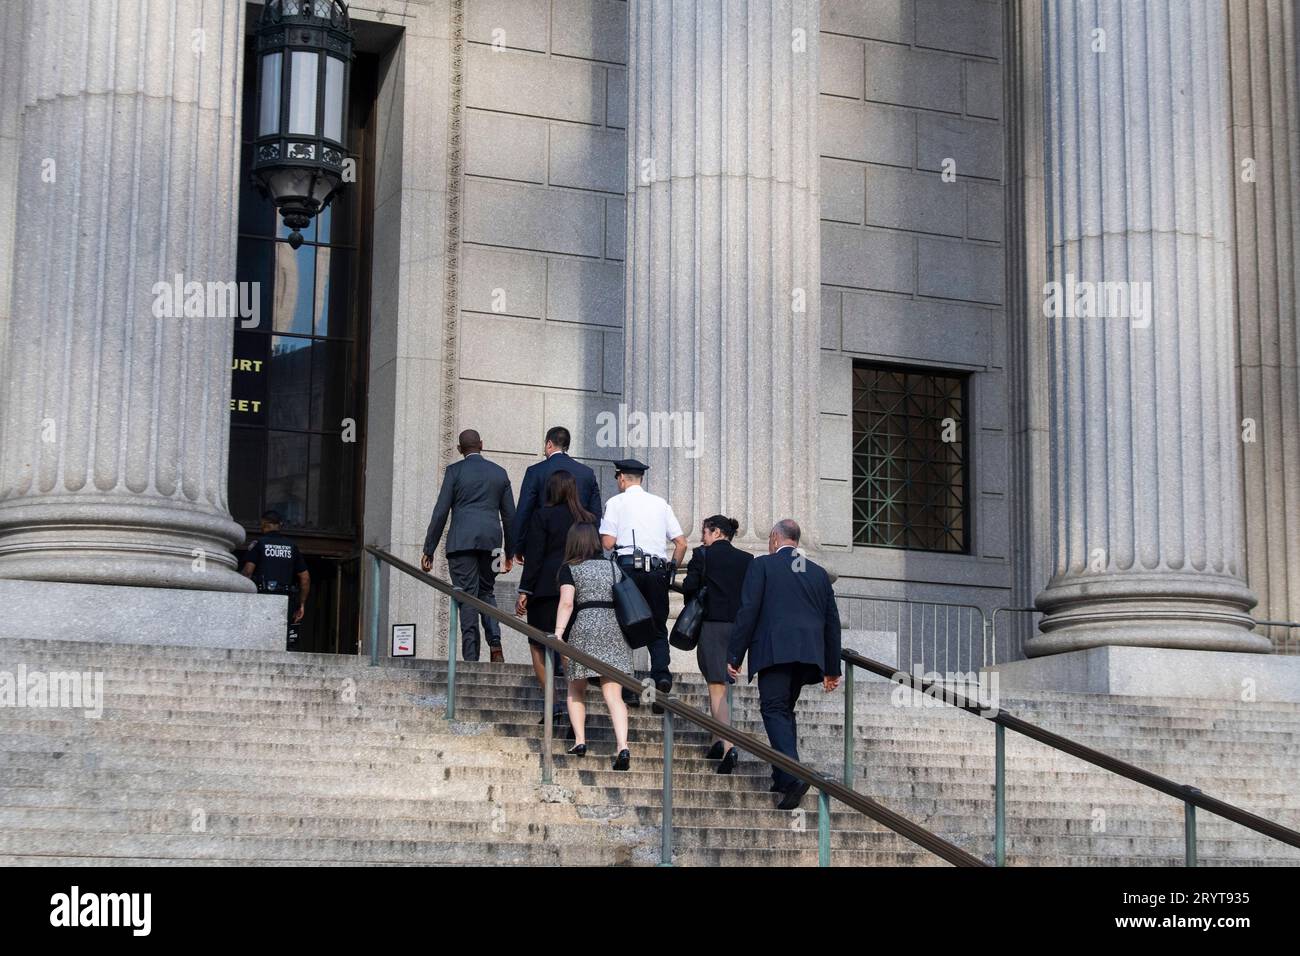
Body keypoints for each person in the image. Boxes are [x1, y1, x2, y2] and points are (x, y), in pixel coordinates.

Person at [727, 519, 842, 810]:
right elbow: (832, 623)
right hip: (808, 655)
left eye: (769, 539)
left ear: (776, 539)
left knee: (774, 708)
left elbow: (748, 610)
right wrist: (832, 668)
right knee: (784, 711)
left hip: (775, 651)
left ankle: (793, 775)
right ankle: (781, 776)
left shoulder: (762, 566)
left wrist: (734, 655)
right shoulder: (817, 574)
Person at [420, 429, 517, 663]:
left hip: (461, 544)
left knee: (467, 597)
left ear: (459, 449)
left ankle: (471, 657)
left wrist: (429, 549)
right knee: (487, 592)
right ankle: (495, 645)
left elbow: (441, 511)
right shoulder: (500, 474)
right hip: (492, 544)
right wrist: (510, 553)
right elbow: (510, 517)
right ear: (482, 444)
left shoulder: (455, 471)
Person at [599, 459, 687, 712]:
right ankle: (661, 677)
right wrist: (670, 569)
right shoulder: (660, 504)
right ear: (641, 479)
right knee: (657, 628)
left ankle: (628, 689)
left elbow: (607, 542)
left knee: (626, 627)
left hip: (627, 571)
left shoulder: (616, 503)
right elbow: (681, 543)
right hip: (657, 571)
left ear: (622, 479)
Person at [551, 522, 634, 770]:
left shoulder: (570, 568)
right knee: (614, 694)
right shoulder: (613, 567)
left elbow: (567, 603)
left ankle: (580, 740)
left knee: (576, 687)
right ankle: (622, 745)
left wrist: (558, 634)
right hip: (613, 629)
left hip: (585, 627)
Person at [516, 470, 594, 723]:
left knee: (538, 646)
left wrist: (525, 589)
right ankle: (576, 703)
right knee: (569, 648)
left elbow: (535, 555)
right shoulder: (587, 519)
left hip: (546, 588)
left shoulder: (543, 515)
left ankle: (554, 703)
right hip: (578, 588)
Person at [681, 514, 753, 774]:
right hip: (737, 629)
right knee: (722, 684)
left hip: (712, 626)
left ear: (717, 532)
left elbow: (690, 587)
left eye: (705, 531)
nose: (702, 537)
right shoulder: (747, 560)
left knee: (715, 687)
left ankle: (728, 745)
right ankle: (716, 739)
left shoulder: (703, 555)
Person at [509, 426, 602, 566]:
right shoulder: (587, 473)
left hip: (545, 544)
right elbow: (595, 513)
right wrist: (594, 547)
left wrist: (518, 547)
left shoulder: (535, 471)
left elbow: (524, 511)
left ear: (549, 444)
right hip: (579, 545)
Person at [241, 510, 310, 648]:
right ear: (280, 525)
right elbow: (305, 578)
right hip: (286, 599)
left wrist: (242, 599)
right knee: (283, 640)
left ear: (264, 524)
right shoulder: (292, 547)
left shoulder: (259, 544)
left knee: (257, 637)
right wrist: (301, 604)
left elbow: (248, 572)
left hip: (261, 597)